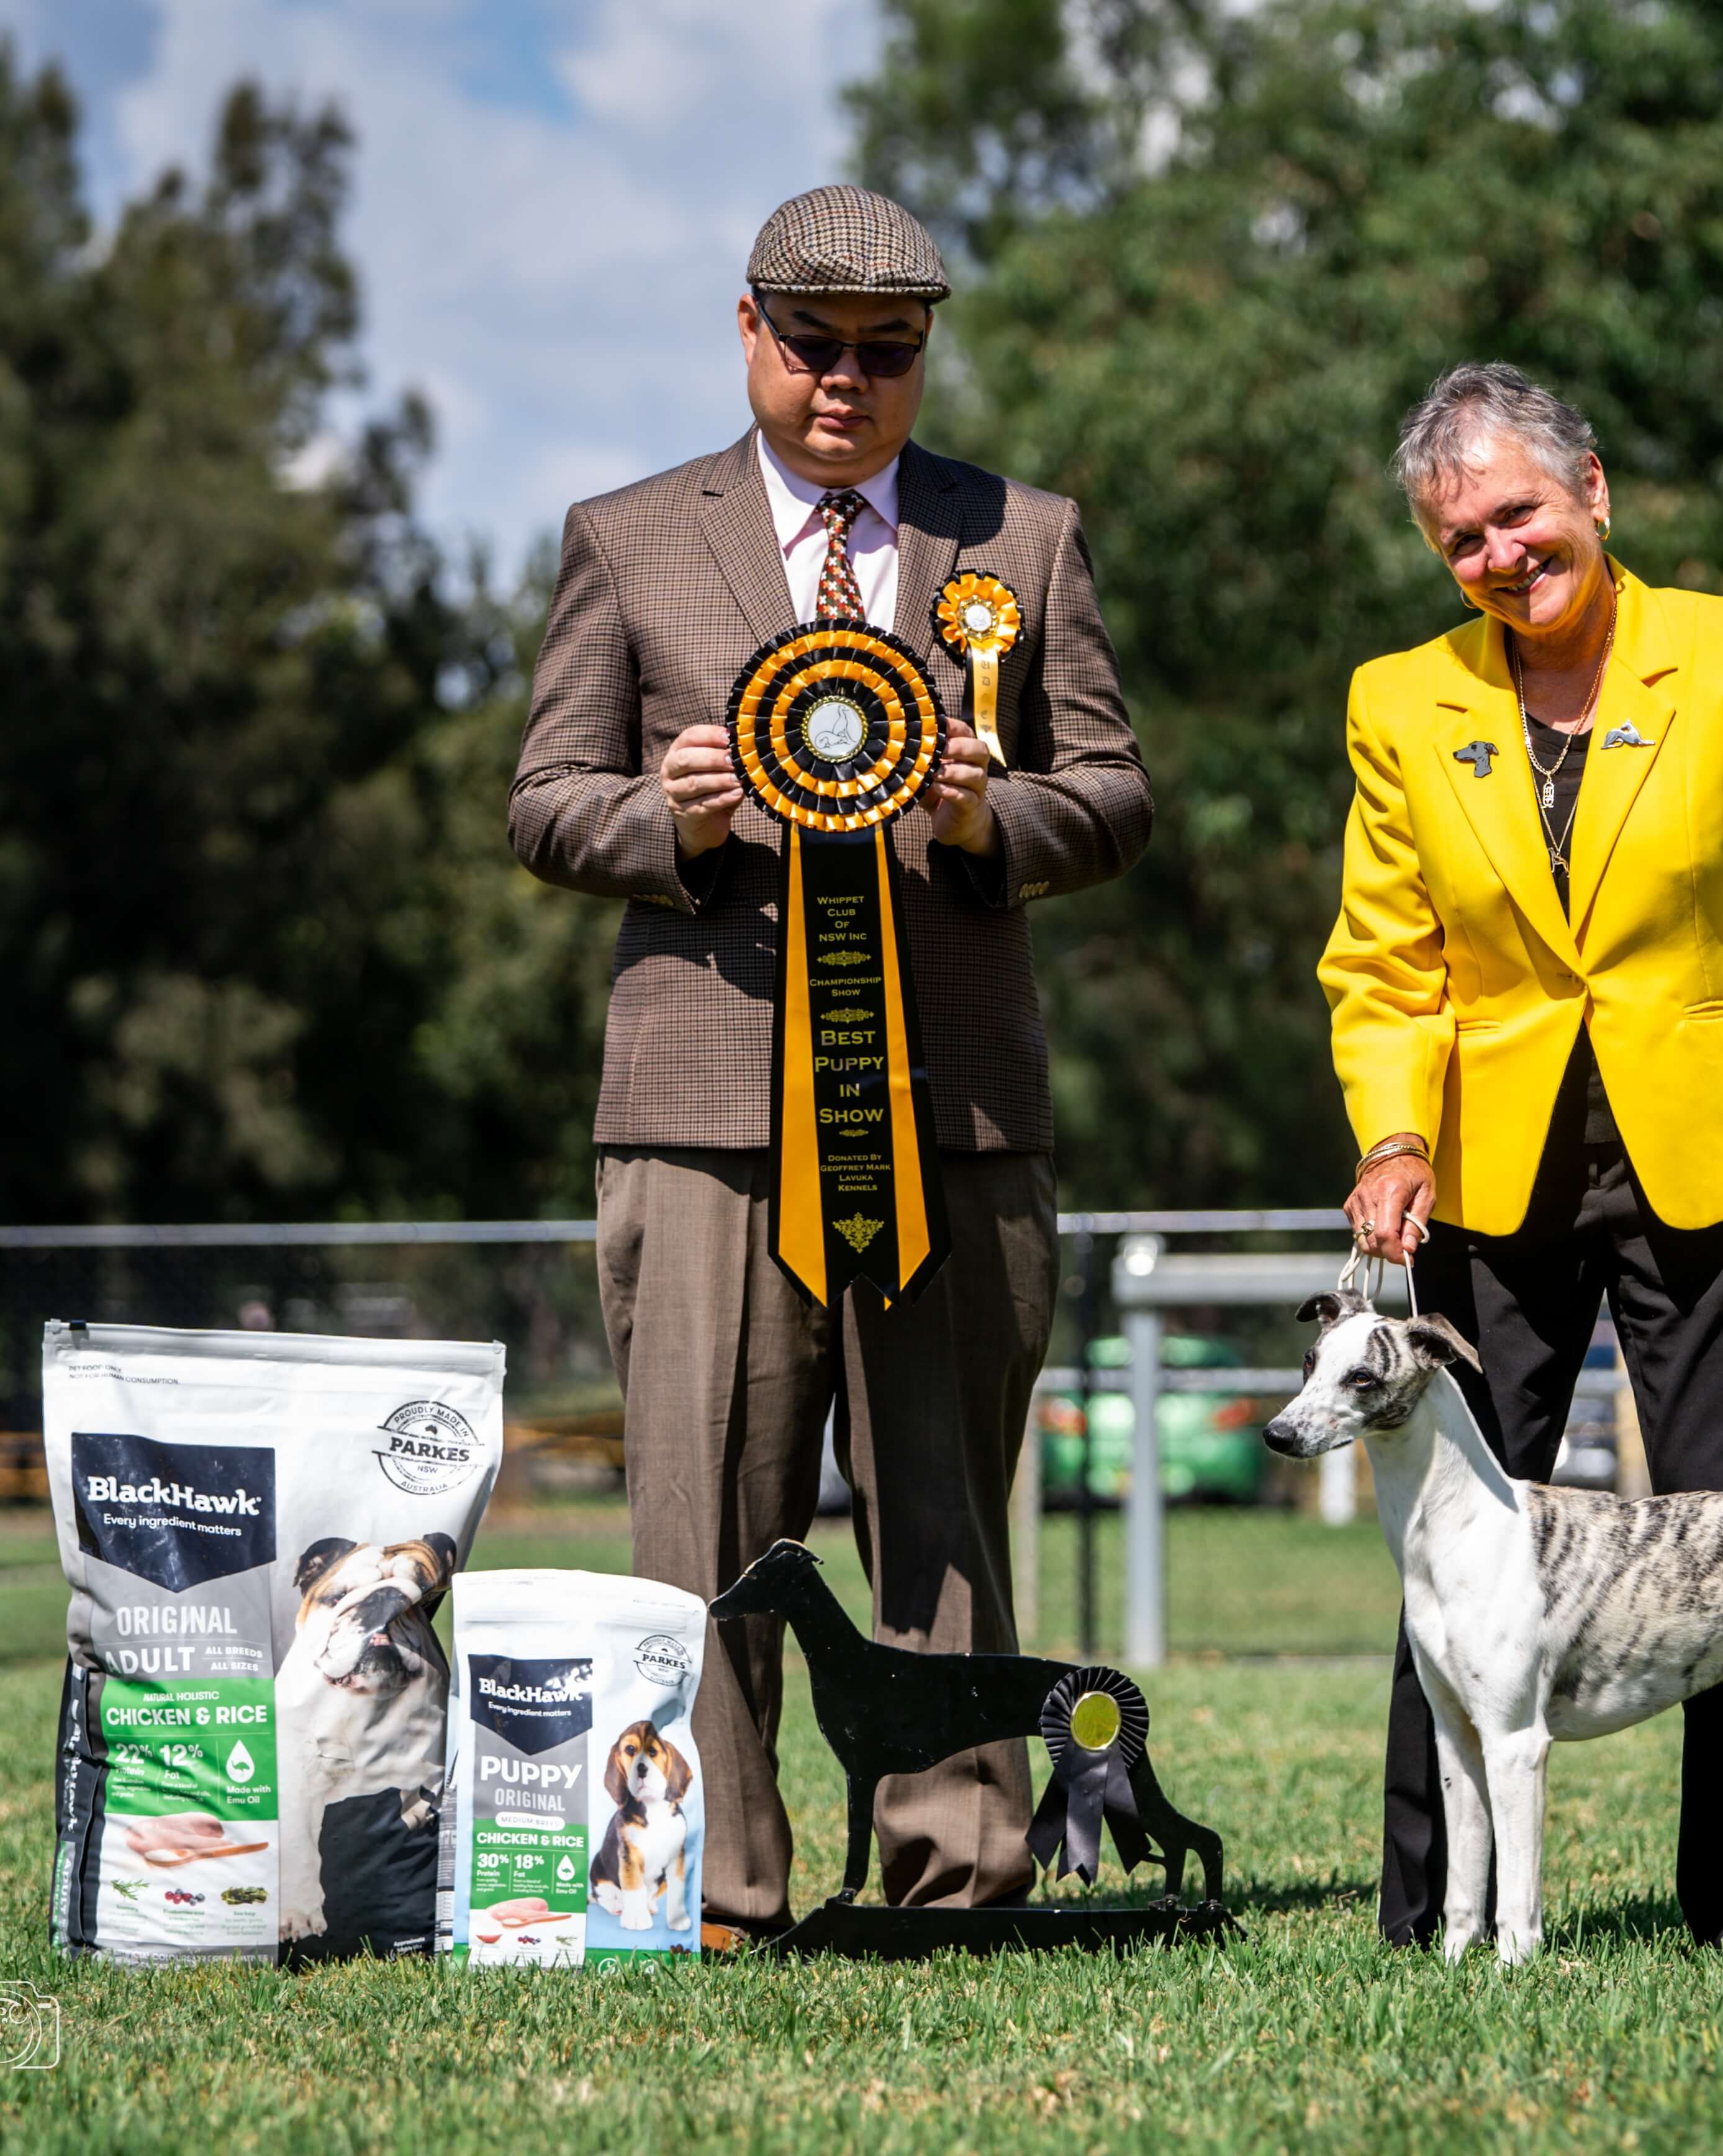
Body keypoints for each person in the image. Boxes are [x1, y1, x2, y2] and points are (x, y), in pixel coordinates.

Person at [510, 186, 1151, 1944]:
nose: (846, 382)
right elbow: (543, 803)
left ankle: (959, 1867)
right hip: (706, 1114)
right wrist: (668, 816)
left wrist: (990, 814)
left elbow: (1112, 795)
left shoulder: (1023, 537)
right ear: (748, 332)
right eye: (812, 346)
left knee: (943, 1506)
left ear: (926, 350)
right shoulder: (629, 538)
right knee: (702, 1514)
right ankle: (706, 1879)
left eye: (887, 350)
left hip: (956, 1113)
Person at [1323, 361, 1723, 1955]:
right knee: (1452, 1541)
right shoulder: (1398, 700)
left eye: (1518, 513)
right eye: (1461, 539)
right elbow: (1385, 962)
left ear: (1592, 487)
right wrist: (1393, 1130)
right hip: (1486, 1178)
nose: (1499, 555)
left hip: (1714, 1164)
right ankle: (1428, 1914)